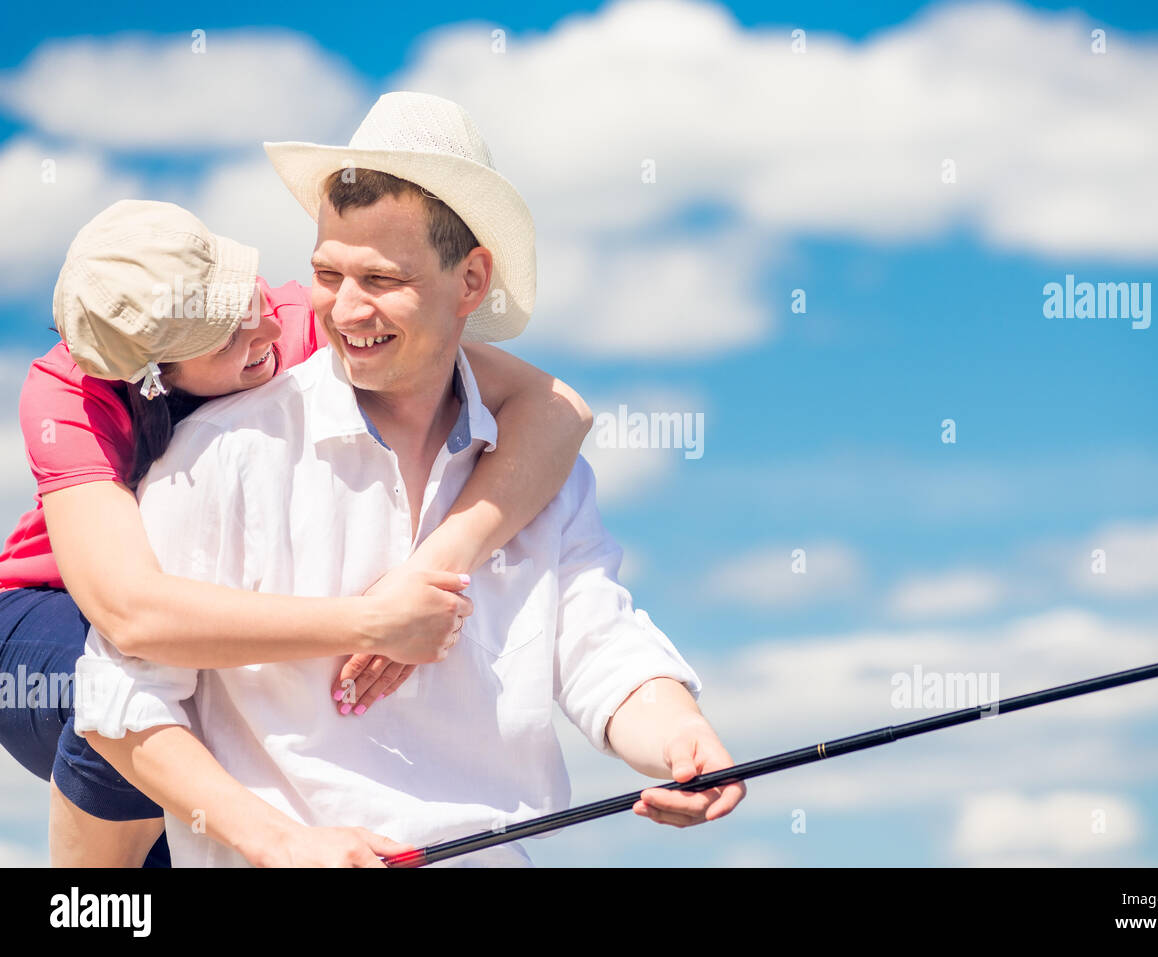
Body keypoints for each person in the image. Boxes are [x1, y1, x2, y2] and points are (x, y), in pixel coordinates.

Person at [74, 91, 746, 867]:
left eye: (382, 279)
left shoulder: (546, 476)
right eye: (328, 272)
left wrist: (678, 734)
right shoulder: (218, 454)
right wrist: (281, 842)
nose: (346, 308)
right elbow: (119, 707)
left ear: (471, 281)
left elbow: (599, 644)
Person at [0, 197, 595, 867]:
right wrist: (369, 623)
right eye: (224, 339)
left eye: (244, 295)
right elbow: (131, 613)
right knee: (117, 684)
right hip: (43, 616)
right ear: (155, 381)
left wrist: (435, 560)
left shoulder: (303, 322)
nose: (261, 329)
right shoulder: (66, 394)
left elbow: (558, 411)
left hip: (190, 599)